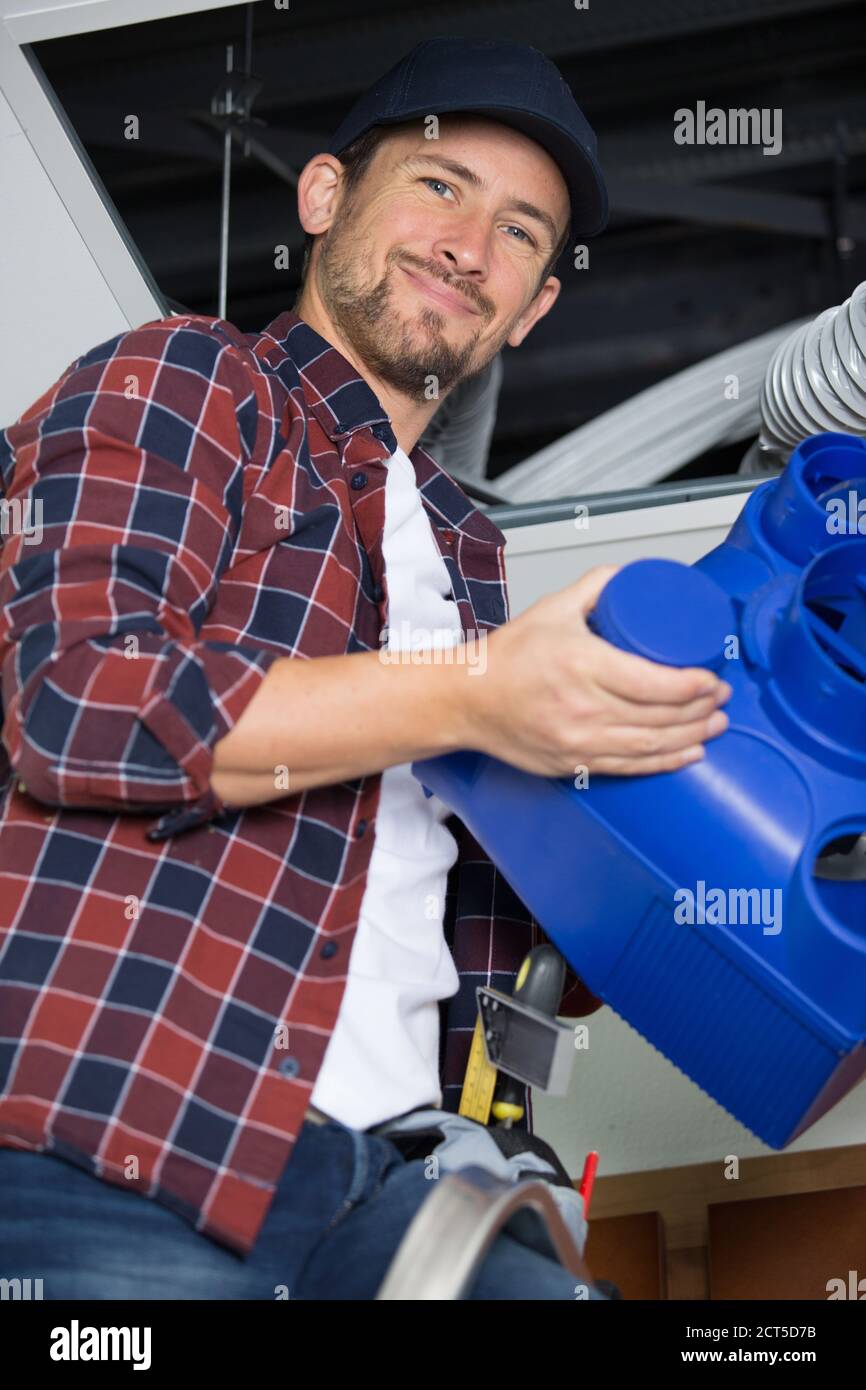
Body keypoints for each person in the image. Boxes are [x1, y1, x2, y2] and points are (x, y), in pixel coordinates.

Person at [0, 36, 731, 1300]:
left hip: (413, 1186)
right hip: (120, 1130)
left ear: (536, 302)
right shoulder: (189, 377)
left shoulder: (469, 558)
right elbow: (75, 699)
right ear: (325, 197)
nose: (468, 246)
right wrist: (478, 693)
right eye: (439, 186)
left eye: (519, 233)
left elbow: (528, 950)